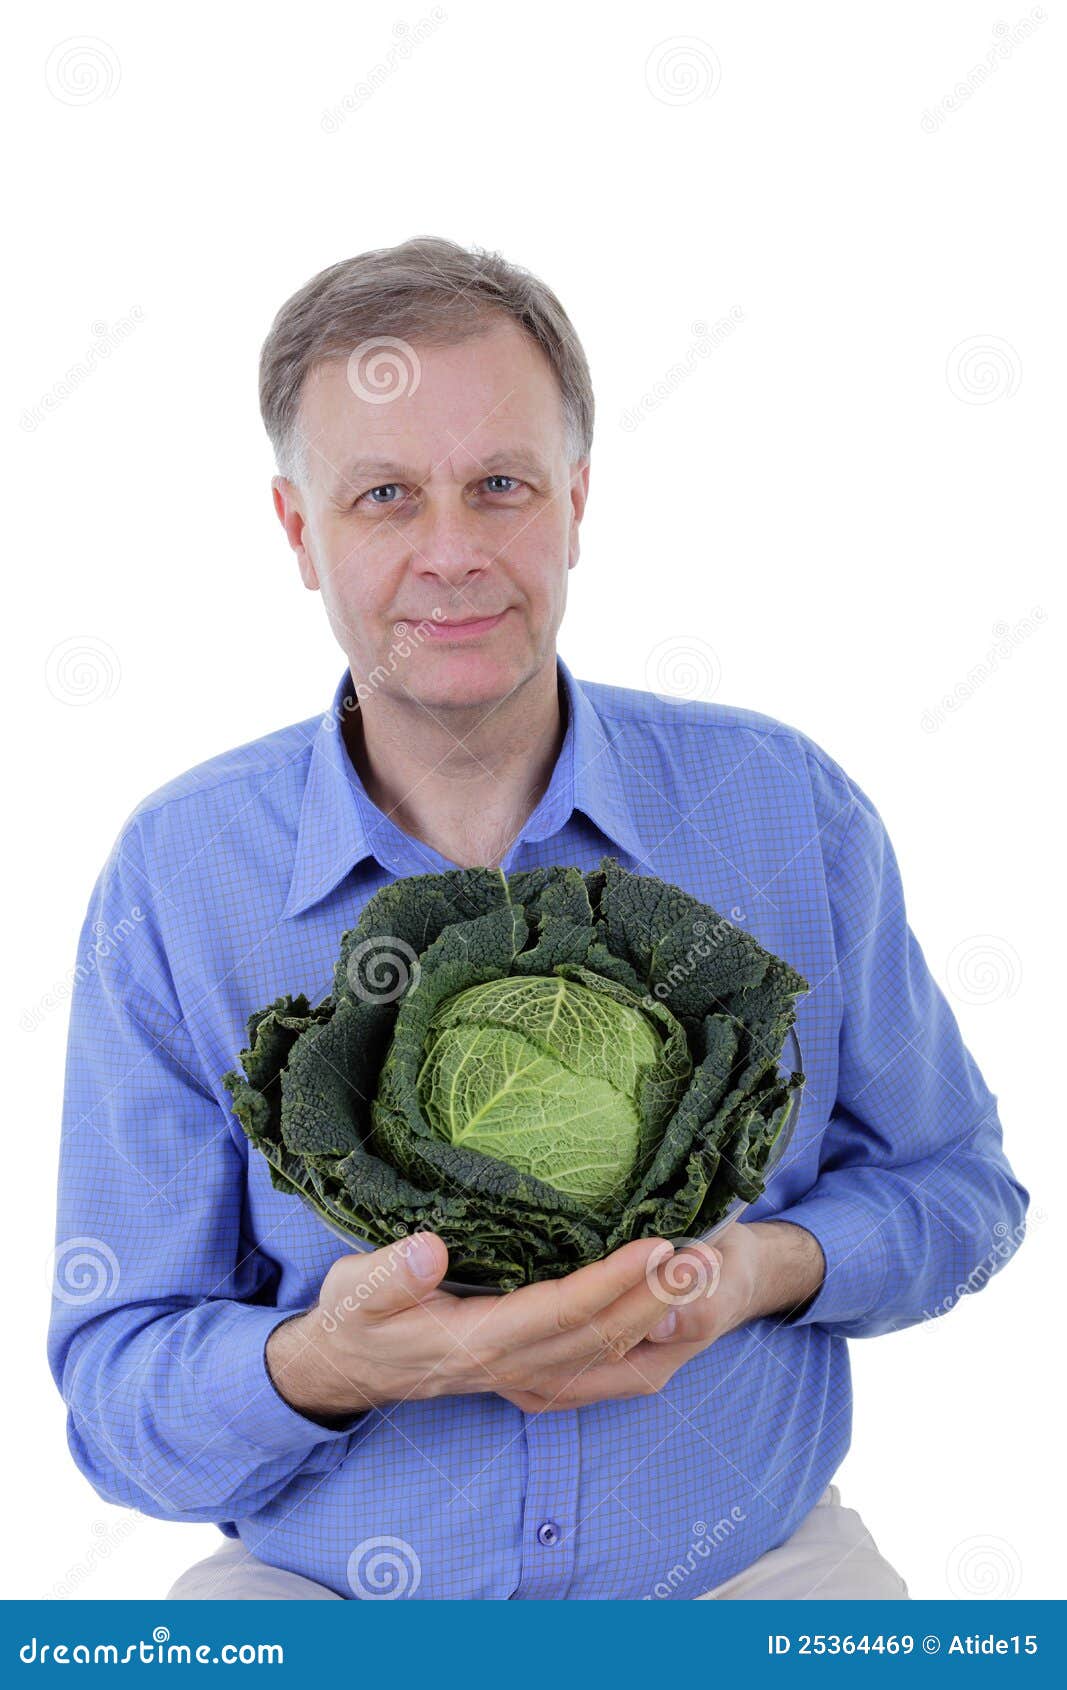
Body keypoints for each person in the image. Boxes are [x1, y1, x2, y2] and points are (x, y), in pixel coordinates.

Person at [47, 237, 1028, 1601]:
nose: (452, 554)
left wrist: (759, 1270)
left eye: (499, 486)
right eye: (385, 495)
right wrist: (337, 1362)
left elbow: (964, 1192)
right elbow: (114, 1397)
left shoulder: (783, 809)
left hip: (755, 1574)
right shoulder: (179, 875)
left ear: (575, 501)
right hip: (328, 1604)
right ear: (298, 532)